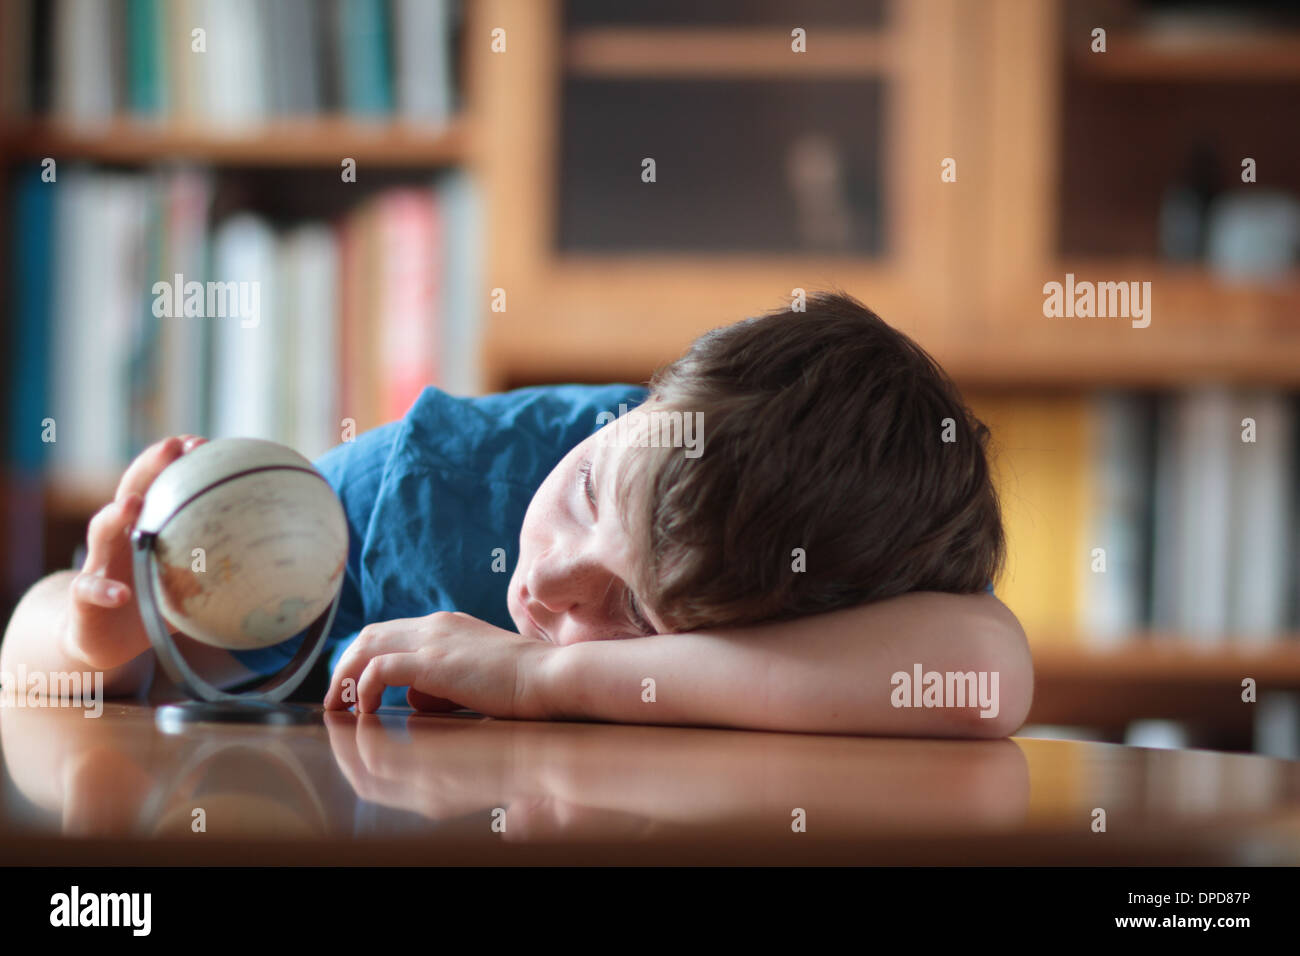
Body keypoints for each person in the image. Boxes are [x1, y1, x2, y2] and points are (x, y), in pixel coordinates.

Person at [2, 292, 1032, 736]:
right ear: (649, 400)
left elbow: (985, 671)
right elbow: (35, 668)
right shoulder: (418, 486)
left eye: (628, 613)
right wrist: (98, 624)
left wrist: (541, 673)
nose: (544, 582)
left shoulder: (856, 577)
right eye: (586, 492)